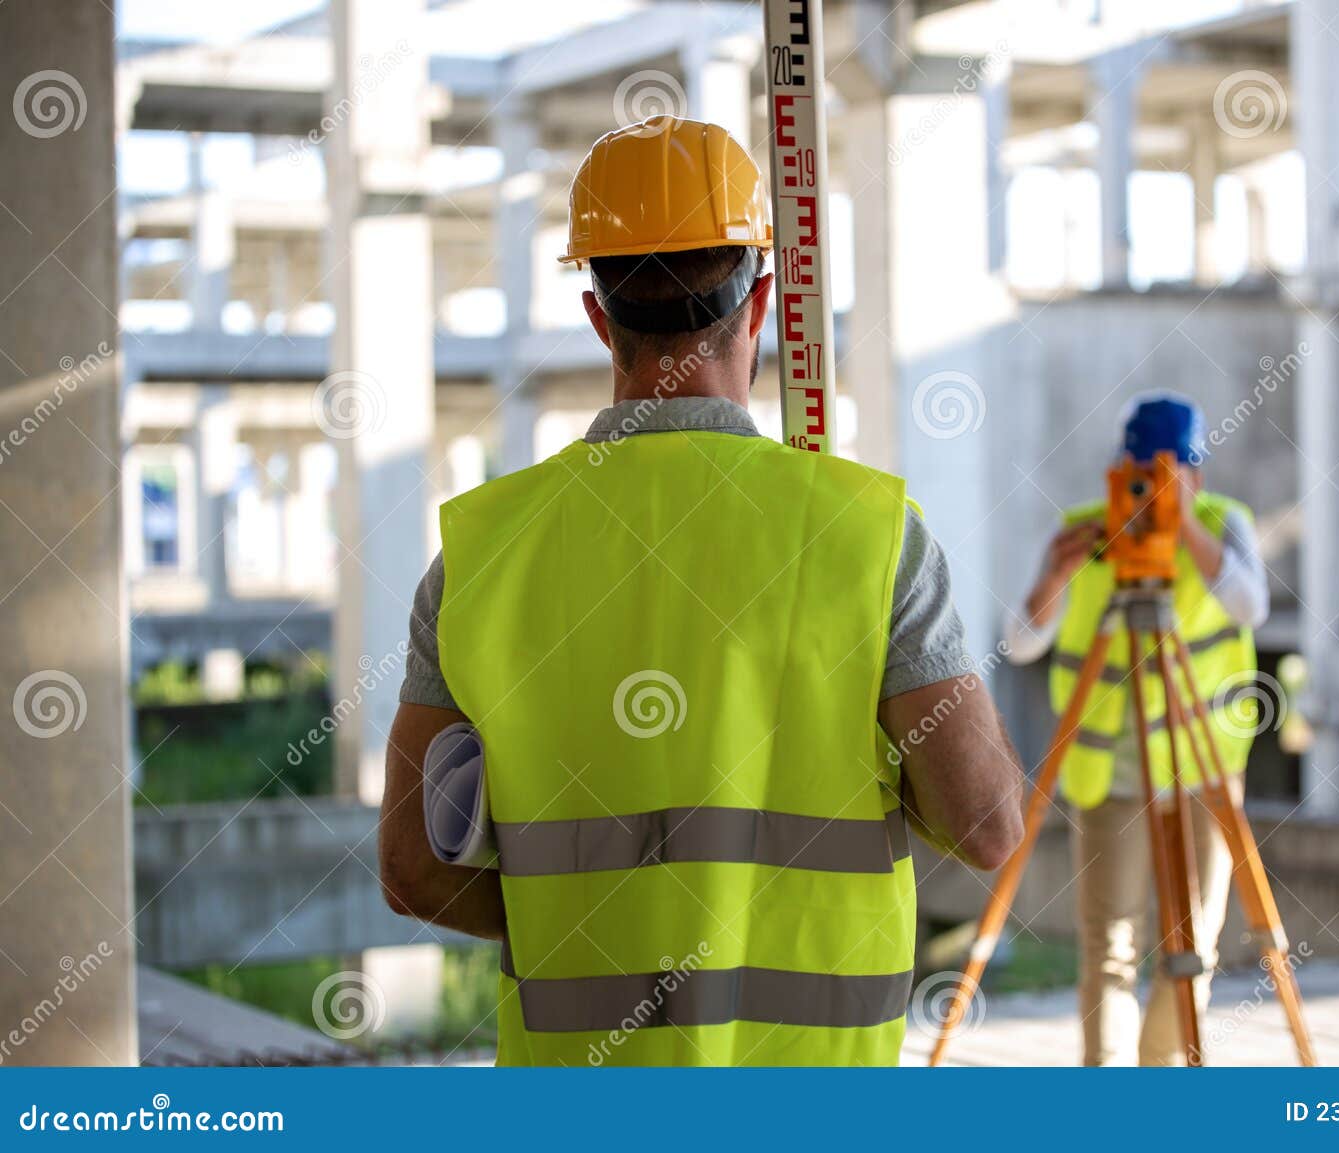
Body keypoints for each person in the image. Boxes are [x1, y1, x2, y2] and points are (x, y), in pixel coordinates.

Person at [378, 116, 1024, 1067]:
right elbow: (987, 824)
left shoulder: (480, 554)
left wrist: (575, 930)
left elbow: (413, 873)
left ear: (600, 316)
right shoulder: (866, 535)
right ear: (760, 303)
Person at [1004, 391, 1268, 1066]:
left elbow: (1249, 604)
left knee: (1191, 949)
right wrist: (1057, 573)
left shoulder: (1223, 522)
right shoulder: (1085, 531)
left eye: (1169, 475)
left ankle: (1162, 1081)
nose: (1150, 491)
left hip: (1202, 768)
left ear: (1197, 476)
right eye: (1140, 476)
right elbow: (1021, 643)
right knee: (1109, 945)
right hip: (1109, 773)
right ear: (1115, 473)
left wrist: (1182, 526)